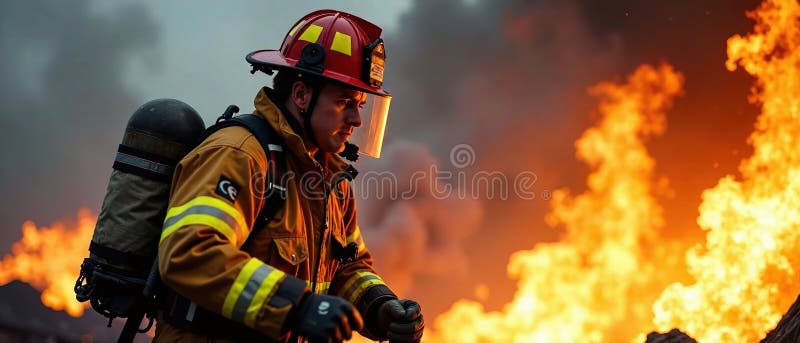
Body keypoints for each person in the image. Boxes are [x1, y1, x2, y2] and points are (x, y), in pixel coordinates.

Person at [153, 9, 424, 343]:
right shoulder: (240, 155)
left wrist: (380, 307)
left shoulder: (331, 180)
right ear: (301, 95)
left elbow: (347, 267)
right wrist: (295, 307)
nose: (356, 119)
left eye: (361, 105)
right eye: (344, 102)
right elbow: (189, 252)